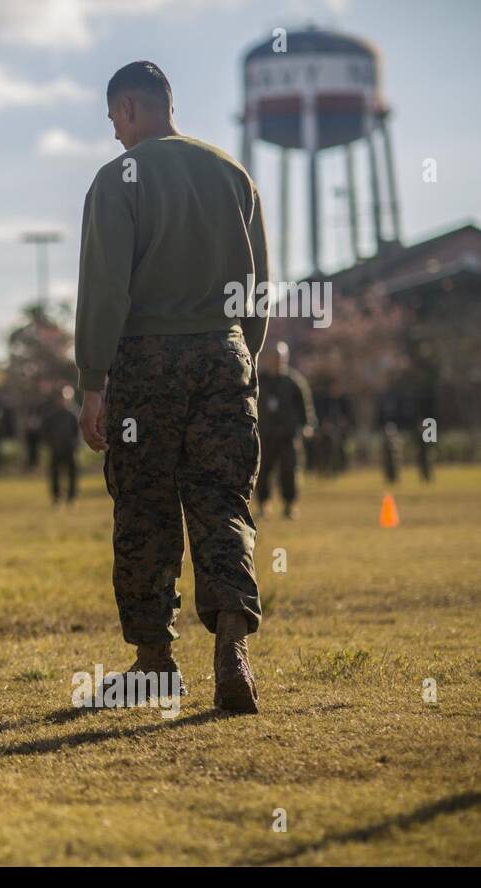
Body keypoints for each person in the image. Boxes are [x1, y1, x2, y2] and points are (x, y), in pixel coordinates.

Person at [74, 62, 268, 714]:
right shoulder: (232, 173)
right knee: (224, 502)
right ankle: (233, 647)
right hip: (225, 352)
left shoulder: (118, 178)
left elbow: (105, 290)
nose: (115, 135)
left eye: (112, 121)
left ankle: (155, 662)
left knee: (145, 509)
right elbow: (257, 291)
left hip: (145, 360)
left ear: (128, 107)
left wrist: (91, 382)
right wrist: (245, 359)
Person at [257, 341, 316, 519]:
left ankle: (289, 505)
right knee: (262, 472)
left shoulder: (293, 382)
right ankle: (263, 505)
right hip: (265, 435)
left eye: (281, 357)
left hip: (288, 436)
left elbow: (305, 407)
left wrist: (307, 425)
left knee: (289, 471)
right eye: (274, 357)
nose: (277, 361)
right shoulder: (260, 380)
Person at [43, 387, 80, 504]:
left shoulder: (72, 415)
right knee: (54, 473)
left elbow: (77, 432)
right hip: (56, 448)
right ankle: (56, 495)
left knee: (72, 473)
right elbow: (46, 431)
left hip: (70, 448)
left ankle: (71, 496)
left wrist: (75, 444)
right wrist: (51, 444)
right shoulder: (51, 415)